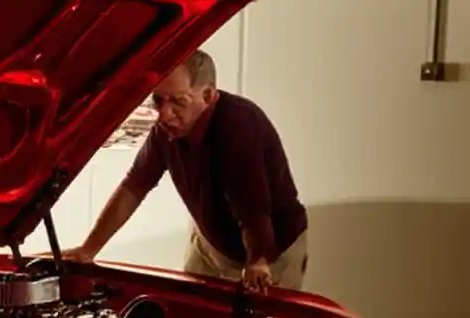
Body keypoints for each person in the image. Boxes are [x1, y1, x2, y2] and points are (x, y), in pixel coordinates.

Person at [64, 50, 309, 294]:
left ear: (209, 95)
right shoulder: (166, 129)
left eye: (178, 101)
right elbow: (134, 185)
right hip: (211, 245)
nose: (164, 113)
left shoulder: (238, 126)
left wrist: (258, 262)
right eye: (158, 101)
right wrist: (89, 249)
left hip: (271, 251)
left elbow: (253, 210)